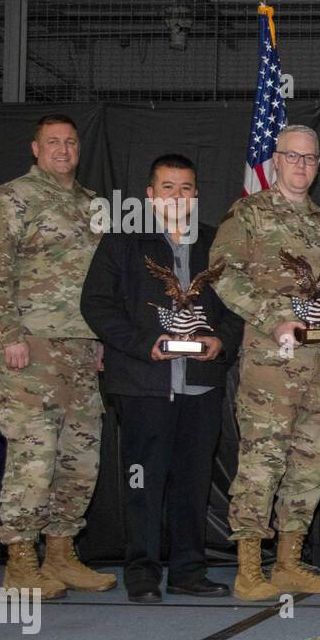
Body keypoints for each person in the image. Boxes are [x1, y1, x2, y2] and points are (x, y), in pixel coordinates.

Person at [81, 153, 243, 603]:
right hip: (142, 383)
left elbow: (238, 307)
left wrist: (220, 341)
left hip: (201, 384)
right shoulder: (122, 243)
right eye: (168, 187)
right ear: (150, 196)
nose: (177, 196)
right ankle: (143, 573)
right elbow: (96, 304)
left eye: (186, 188)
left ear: (196, 195)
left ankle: (190, 570)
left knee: (193, 482)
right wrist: (143, 341)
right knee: (143, 481)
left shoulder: (216, 245)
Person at [0, 113, 112, 598]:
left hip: (81, 352)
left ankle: (61, 553)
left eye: (70, 142)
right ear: (35, 149)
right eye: (53, 142)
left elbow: (101, 284)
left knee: (79, 459)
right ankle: (21, 562)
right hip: (30, 349)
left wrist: (98, 343)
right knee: (34, 457)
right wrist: (9, 331)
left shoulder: (95, 205)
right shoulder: (11, 197)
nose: (63, 150)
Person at [209, 124, 320, 601]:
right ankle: (249, 568)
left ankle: (289, 561)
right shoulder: (249, 214)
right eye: (293, 157)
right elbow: (222, 275)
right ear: (275, 160)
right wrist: (275, 317)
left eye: (310, 159)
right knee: (262, 462)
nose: (301, 166)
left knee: (311, 463)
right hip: (271, 364)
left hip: (319, 367)